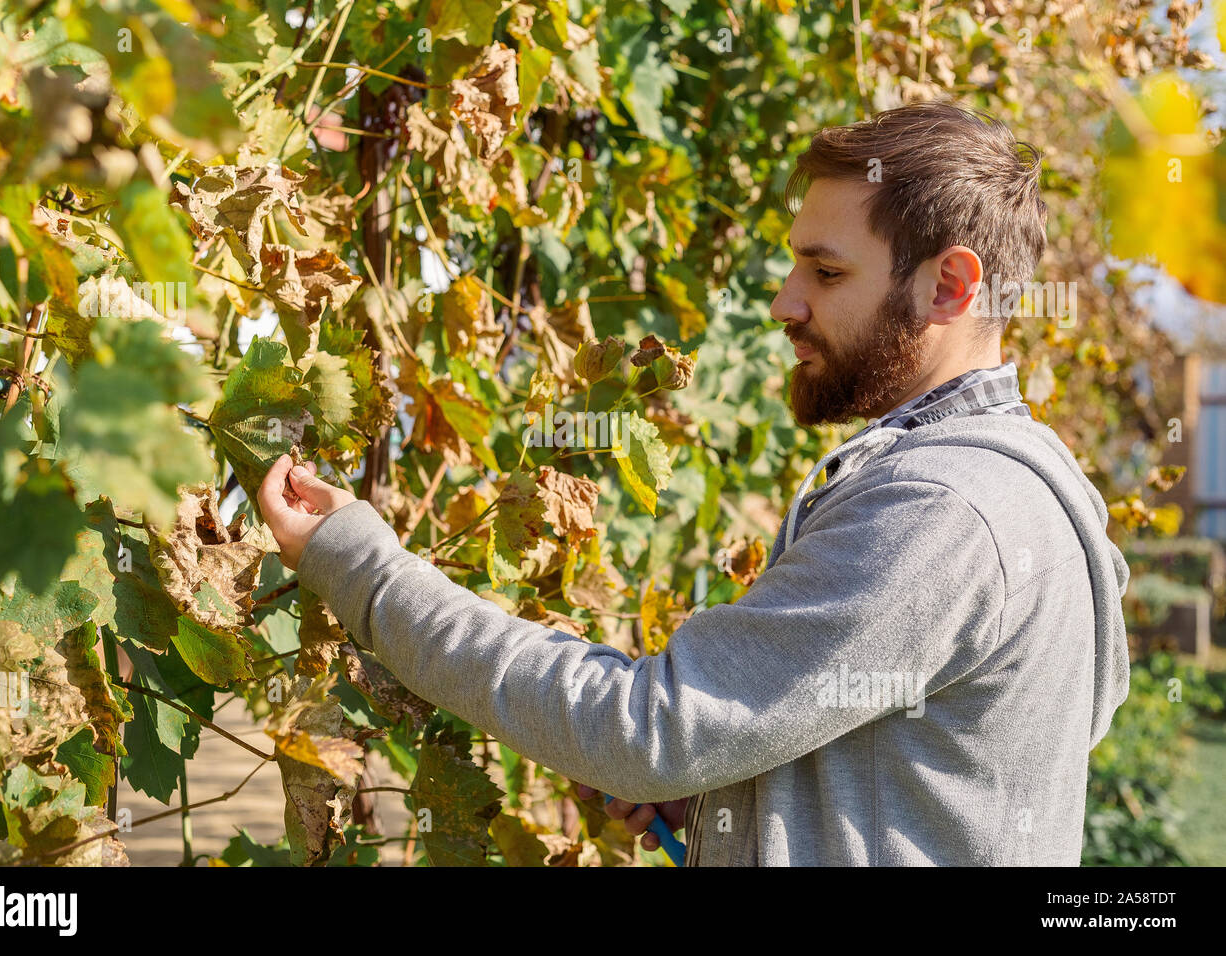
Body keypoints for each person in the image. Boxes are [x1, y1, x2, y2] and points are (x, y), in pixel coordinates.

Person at [258, 101, 1130, 866]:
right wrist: (736, 807)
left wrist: (367, 574)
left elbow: (646, 728)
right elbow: (936, 772)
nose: (787, 303)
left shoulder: (941, 511)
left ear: (949, 286)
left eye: (826, 273)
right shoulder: (1043, 492)